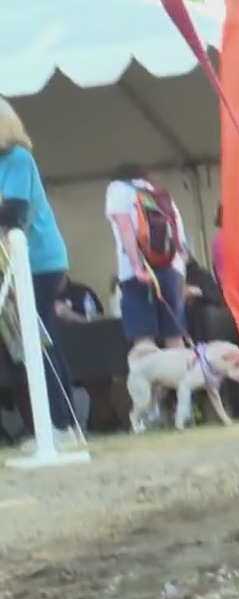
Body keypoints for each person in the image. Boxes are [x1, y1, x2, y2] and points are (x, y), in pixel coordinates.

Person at [0, 96, 84, 451]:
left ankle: (60, 426)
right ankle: (40, 428)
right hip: (10, 265)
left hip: (37, 263)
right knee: (19, 347)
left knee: (38, 341)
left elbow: (12, 215)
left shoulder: (17, 159)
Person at [106, 164, 191, 360]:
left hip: (138, 274)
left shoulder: (117, 189)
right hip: (171, 270)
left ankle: (151, 391)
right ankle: (183, 390)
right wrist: (181, 283)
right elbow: (181, 246)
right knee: (175, 338)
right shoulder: (160, 196)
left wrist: (137, 267)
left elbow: (125, 226)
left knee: (144, 342)